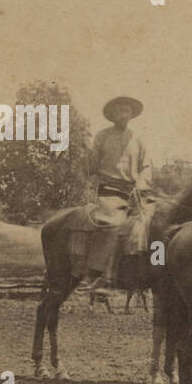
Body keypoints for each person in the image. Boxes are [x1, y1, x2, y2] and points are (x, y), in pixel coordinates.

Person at [77, 96, 152, 294]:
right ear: (113, 115)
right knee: (113, 223)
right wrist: (87, 157)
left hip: (134, 192)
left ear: (131, 115)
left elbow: (146, 166)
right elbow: (92, 167)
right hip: (110, 190)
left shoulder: (138, 138)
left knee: (157, 224)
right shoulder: (102, 136)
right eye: (119, 111)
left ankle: (157, 267)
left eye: (127, 111)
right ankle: (99, 273)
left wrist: (142, 182)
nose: (123, 115)